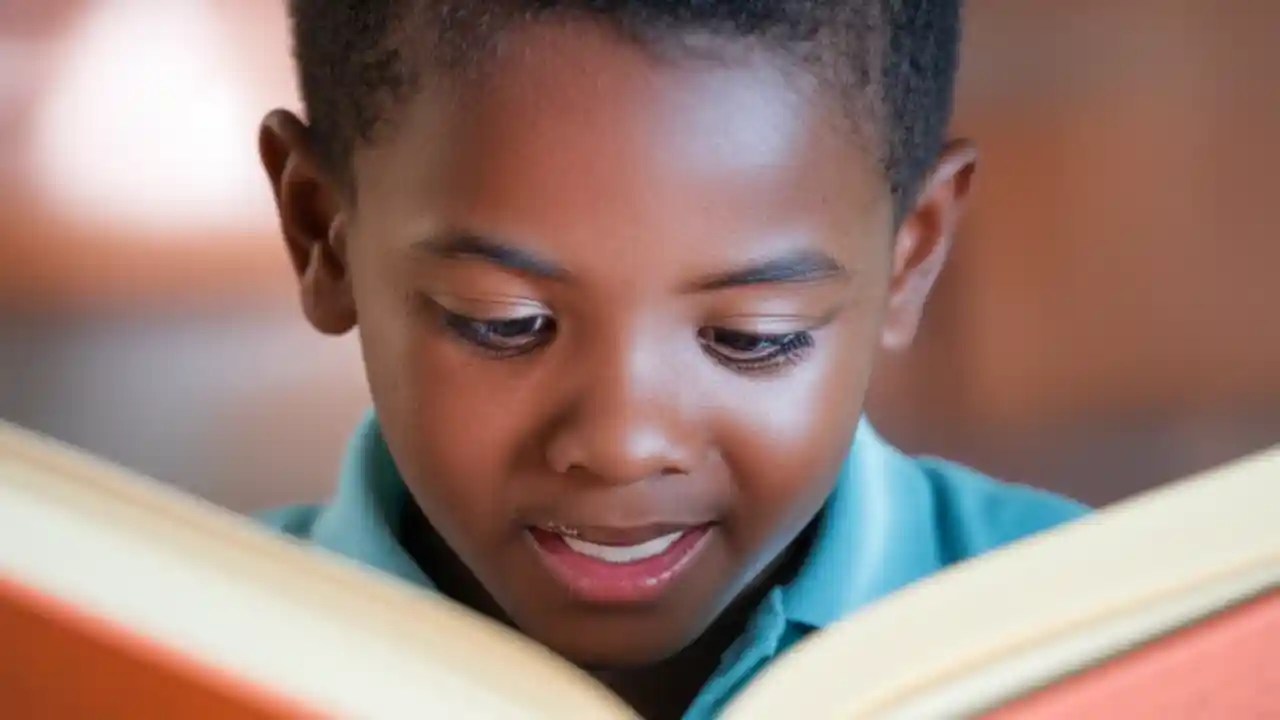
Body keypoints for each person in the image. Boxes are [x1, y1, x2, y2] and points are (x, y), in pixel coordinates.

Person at [257, 2, 1087, 717]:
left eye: (753, 336)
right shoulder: (175, 637)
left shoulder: (1109, 624)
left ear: (911, 256)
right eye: (503, 323)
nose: (623, 445)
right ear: (323, 237)